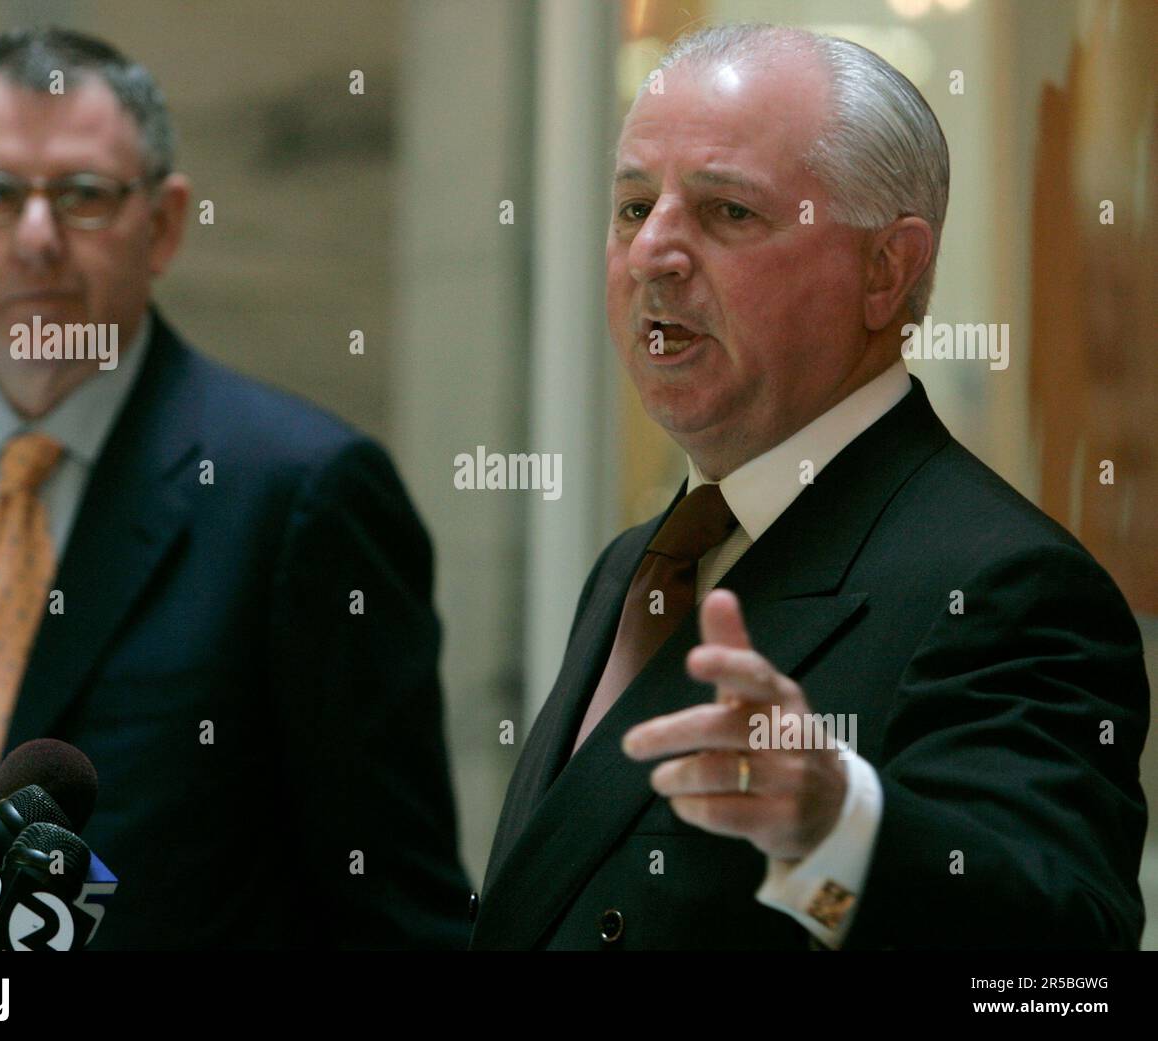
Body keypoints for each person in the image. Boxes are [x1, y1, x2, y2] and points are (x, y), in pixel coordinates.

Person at [471, 24, 1149, 950]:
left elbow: (1062, 971)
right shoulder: (642, 560)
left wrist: (837, 829)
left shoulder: (1005, 585)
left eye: (727, 213)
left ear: (887, 270)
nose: (652, 255)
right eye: (633, 208)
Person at [0, 27, 469, 949]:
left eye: (84, 195)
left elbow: (395, 912)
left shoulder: (303, 493)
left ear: (166, 223)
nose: (36, 238)